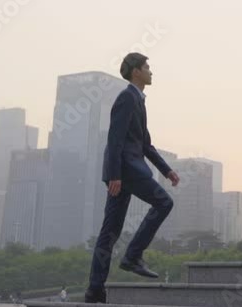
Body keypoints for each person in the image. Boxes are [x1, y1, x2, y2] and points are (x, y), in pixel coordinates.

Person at [84, 53, 180, 304]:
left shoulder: (138, 100)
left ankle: (95, 290)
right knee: (164, 203)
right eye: (147, 67)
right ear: (136, 71)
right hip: (126, 169)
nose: (151, 71)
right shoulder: (127, 97)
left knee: (110, 232)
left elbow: (145, 144)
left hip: (126, 168)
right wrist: (115, 174)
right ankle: (133, 256)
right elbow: (114, 137)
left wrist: (166, 170)